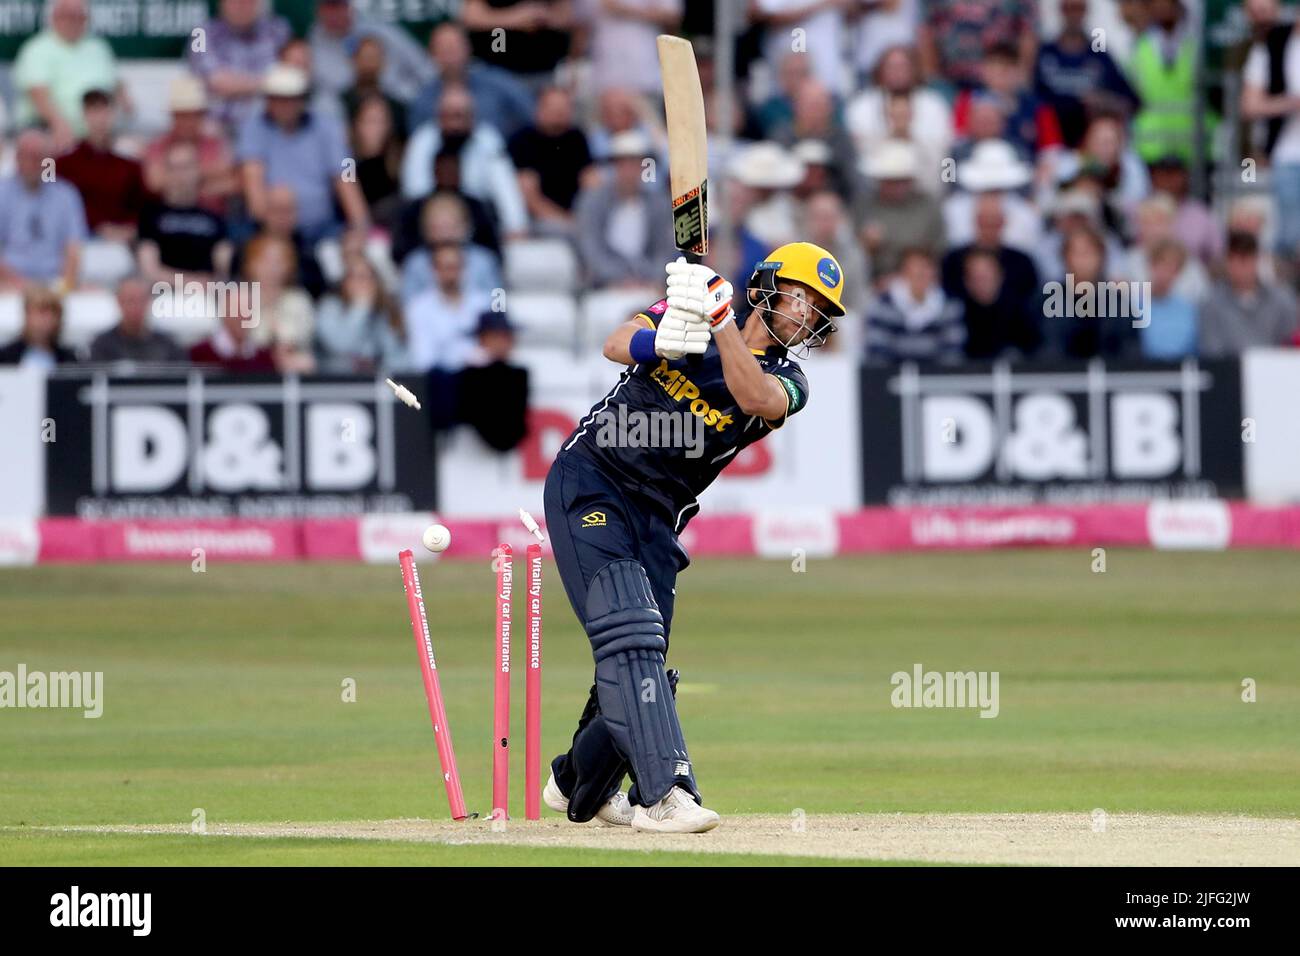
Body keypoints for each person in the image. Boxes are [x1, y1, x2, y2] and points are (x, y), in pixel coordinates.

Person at [541, 242, 845, 832]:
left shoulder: (789, 380)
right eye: (802, 297)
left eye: (819, 309)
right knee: (630, 635)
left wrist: (721, 322)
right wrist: (662, 339)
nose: (807, 315)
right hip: (593, 480)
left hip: (659, 518)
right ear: (770, 286)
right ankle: (665, 794)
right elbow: (613, 343)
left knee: (644, 654)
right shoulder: (685, 313)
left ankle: (577, 780)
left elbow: (753, 395)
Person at [238, 65, 369, 243]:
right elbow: (253, 185)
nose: (284, 105)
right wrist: (271, 228)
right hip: (269, 226)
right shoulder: (253, 128)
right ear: (268, 100)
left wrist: (360, 225)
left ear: (303, 100)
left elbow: (346, 177)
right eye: (277, 98)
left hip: (321, 228)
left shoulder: (329, 127)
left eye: (291, 98)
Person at [401, 85, 529, 238]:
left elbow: (505, 187)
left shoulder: (488, 139)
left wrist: (515, 226)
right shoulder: (423, 139)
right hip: (432, 219)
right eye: (449, 115)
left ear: (472, 116)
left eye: (460, 115)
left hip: (478, 218)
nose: (455, 123)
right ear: (439, 115)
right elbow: (415, 191)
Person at [11, 0, 122, 152]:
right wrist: (59, 124)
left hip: (95, 131)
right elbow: (38, 94)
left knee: (128, 150)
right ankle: (48, 176)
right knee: (48, 159)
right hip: (48, 128)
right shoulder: (37, 48)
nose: (73, 22)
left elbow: (115, 87)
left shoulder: (98, 47)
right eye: (68, 16)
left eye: (79, 17)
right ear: (54, 17)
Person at [574, 130, 676, 287]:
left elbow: (664, 250)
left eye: (635, 164)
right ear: (614, 166)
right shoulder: (592, 202)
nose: (629, 171)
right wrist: (618, 279)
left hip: (649, 285)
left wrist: (650, 279)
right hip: (604, 287)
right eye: (623, 164)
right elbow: (590, 248)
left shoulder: (659, 204)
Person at [1034, 0, 1141, 148]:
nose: (1073, 15)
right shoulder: (1045, 52)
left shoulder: (1099, 54)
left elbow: (1132, 101)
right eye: (1068, 8)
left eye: (1078, 8)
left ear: (1086, 11)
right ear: (1060, 11)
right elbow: (1032, 98)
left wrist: (1104, 101)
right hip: (1050, 145)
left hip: (1093, 147)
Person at [408, 21, 535, 138]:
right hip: (447, 160)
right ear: (432, 54)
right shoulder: (423, 100)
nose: (450, 55)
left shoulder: (498, 83)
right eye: (444, 49)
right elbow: (419, 144)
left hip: (498, 157)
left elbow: (533, 115)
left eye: (455, 47)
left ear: (468, 48)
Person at [0, 130, 87, 291]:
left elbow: (73, 248)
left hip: (55, 282)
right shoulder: (2, 192)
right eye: (26, 156)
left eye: (37, 157)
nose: (31, 163)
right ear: (17, 158)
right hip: (8, 283)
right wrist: (19, 284)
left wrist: (63, 288)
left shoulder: (66, 195)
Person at [142, 76, 239, 216]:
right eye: (182, 115)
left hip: (213, 220)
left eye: (193, 115)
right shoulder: (158, 145)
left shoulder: (215, 144)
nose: (188, 122)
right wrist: (204, 178)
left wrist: (179, 177)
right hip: (167, 219)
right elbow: (154, 182)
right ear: (173, 116)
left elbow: (233, 182)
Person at [189, 0, 292, 132]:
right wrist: (269, 82)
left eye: (247, 1)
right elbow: (216, 81)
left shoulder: (278, 30)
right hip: (219, 126)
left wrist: (240, 83)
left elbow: (290, 78)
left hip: (269, 127)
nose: (241, 6)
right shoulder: (200, 33)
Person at [57, 90, 147, 242]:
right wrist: (98, 226)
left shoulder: (130, 164)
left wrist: (129, 228)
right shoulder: (62, 162)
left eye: (105, 111)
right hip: (78, 239)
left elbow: (141, 204)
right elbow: (49, 196)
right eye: (94, 111)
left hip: (122, 239)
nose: (100, 119)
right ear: (84, 115)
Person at [137, 142, 233, 284]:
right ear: (166, 172)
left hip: (208, 297)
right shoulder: (150, 216)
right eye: (174, 168)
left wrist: (209, 284)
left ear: (197, 170)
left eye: (186, 167)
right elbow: (150, 270)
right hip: (165, 295)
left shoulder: (214, 218)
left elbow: (223, 268)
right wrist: (192, 283)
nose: (180, 174)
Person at [308, 0, 433, 104]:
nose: (334, 14)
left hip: (396, 102)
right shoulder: (314, 40)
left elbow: (424, 67)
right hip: (344, 111)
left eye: (339, 6)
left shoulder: (379, 30)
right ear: (318, 10)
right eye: (329, 7)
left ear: (349, 6)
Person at [509, 87, 594, 234]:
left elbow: (590, 181)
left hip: (578, 214)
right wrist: (565, 221)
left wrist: (582, 217)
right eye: (554, 108)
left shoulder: (577, 138)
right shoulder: (522, 140)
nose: (559, 113)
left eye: (564, 108)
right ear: (539, 109)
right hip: (540, 218)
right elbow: (528, 195)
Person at [1200, 231, 1299, 357]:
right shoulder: (1211, 304)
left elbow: (1290, 347)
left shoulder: (1282, 301)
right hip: (1229, 373)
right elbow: (1212, 352)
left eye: (1244, 260)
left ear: (1257, 260)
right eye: (1232, 260)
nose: (1238, 267)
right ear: (1226, 262)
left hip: (1273, 371)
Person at [863, 248, 966, 364]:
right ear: (902, 273)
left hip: (937, 378)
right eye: (914, 272)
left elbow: (952, 353)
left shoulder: (950, 307)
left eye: (925, 271)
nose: (920, 276)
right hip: (893, 377)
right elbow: (877, 353)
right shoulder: (882, 307)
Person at [403, 243, 493, 372]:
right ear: (434, 270)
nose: (451, 273)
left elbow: (492, 350)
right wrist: (463, 358)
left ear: (464, 268)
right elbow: (423, 358)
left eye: (455, 267)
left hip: (480, 377)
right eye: (445, 267)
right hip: (438, 380)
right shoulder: (419, 308)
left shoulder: (483, 303)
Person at [315, 254, 408, 373]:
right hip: (337, 383)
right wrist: (361, 307)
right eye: (356, 277)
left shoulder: (384, 311)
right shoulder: (329, 307)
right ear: (344, 282)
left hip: (377, 384)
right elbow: (340, 346)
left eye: (367, 277)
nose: (362, 283)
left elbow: (397, 357)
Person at [87, 276, 186, 364]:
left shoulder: (168, 345)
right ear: (119, 302)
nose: (136, 307)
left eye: (141, 300)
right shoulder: (102, 346)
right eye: (130, 301)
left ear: (149, 302)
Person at [0, 286, 75, 367]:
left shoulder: (69, 359)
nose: (47, 319)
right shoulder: (5, 357)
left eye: (53, 313)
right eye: (41, 312)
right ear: (27, 315)